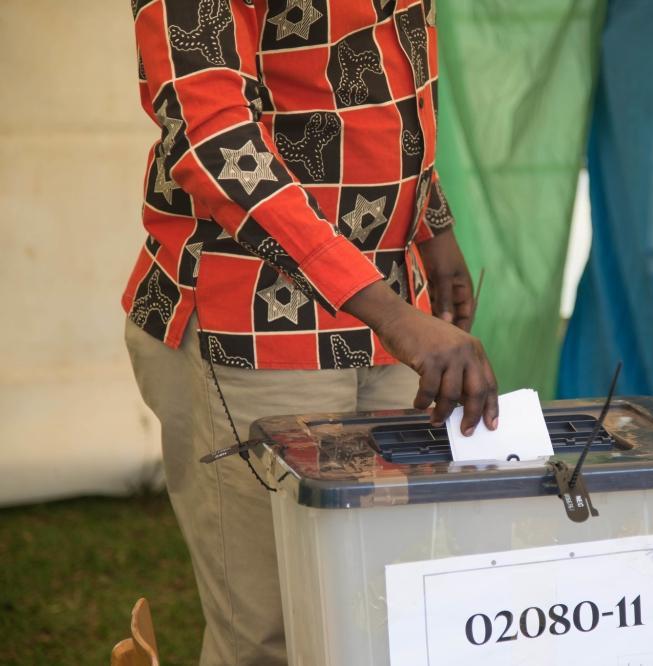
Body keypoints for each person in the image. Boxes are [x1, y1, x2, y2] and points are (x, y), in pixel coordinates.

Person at [122, 1, 498, 663]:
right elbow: (213, 142)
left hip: (387, 303)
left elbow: (388, 65)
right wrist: (390, 312)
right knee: (275, 632)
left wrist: (432, 222)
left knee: (387, 610)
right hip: (250, 326)